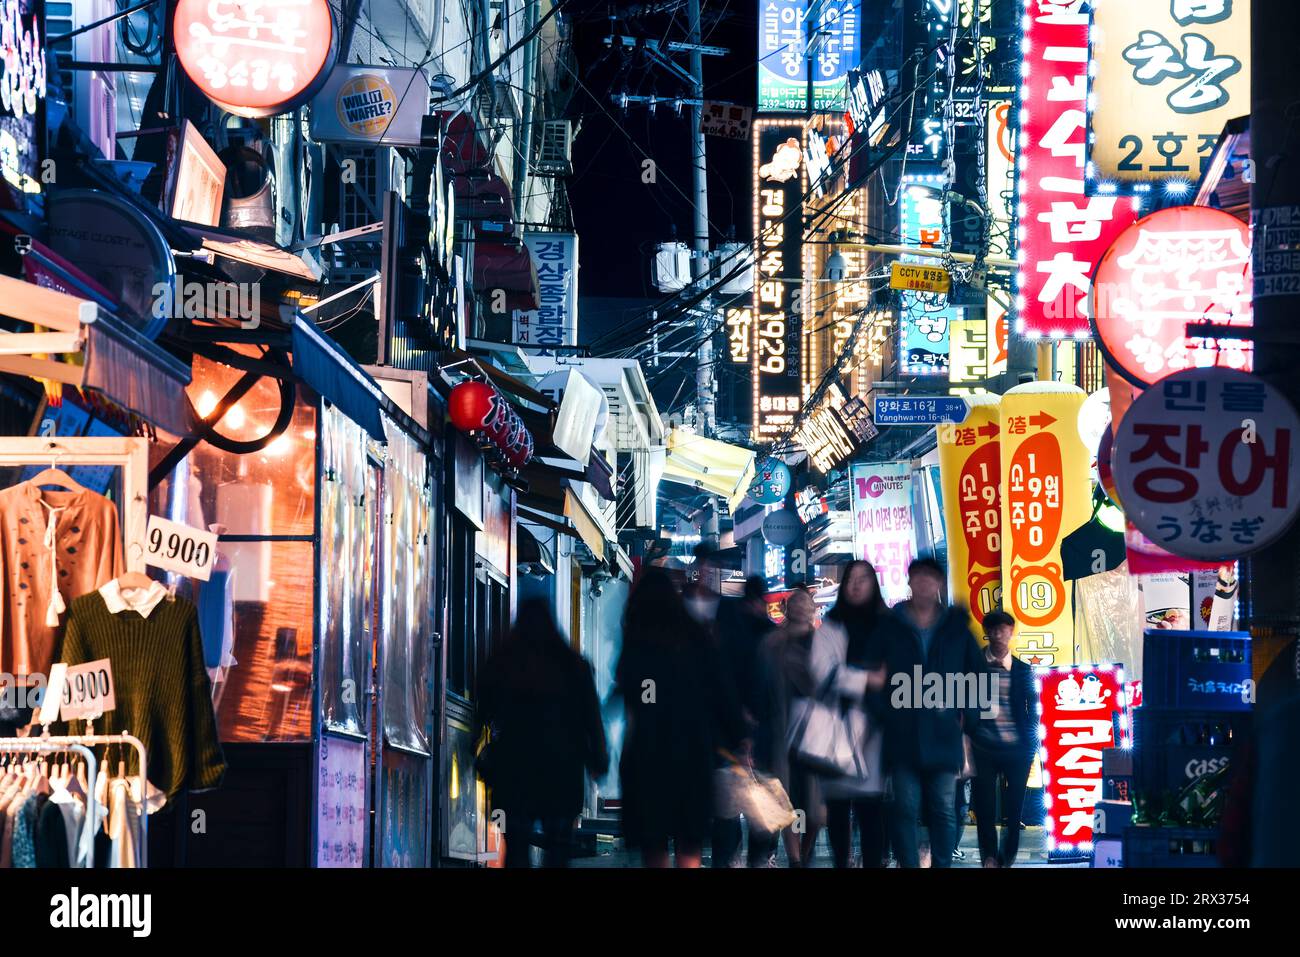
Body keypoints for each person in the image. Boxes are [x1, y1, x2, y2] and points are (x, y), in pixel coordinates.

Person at [616, 567, 747, 867]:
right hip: (693, 752)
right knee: (690, 841)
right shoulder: (697, 637)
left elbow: (632, 692)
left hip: (648, 753)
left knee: (654, 841)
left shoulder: (638, 642)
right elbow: (722, 693)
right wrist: (738, 738)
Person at [476, 598, 609, 868]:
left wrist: (474, 753)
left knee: (516, 845)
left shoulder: (502, 665)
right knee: (558, 848)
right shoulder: (575, 667)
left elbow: (481, 714)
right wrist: (598, 760)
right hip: (563, 771)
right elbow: (591, 720)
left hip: (514, 771)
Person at [872, 556, 985, 868]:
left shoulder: (956, 629)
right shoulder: (891, 626)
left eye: (930, 577)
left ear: (938, 584)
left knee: (943, 808)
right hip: (902, 734)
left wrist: (968, 717)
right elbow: (873, 675)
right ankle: (909, 864)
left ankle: (942, 864)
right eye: (918, 577)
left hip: (943, 732)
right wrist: (885, 714)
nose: (924, 583)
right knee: (905, 807)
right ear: (909, 582)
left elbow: (978, 674)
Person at [815, 561, 895, 868]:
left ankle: (874, 861)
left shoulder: (887, 625)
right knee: (838, 805)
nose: (856, 585)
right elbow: (820, 671)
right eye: (851, 579)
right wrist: (867, 679)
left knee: (871, 806)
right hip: (835, 725)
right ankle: (841, 862)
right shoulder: (831, 625)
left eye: (864, 579)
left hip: (877, 727)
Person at [712, 575, 778, 867]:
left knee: (728, 804)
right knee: (760, 795)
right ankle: (758, 856)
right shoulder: (768, 635)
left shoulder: (726, 635)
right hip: (758, 730)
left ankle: (730, 856)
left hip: (728, 732)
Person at [756, 585, 824, 867]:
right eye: (795, 604)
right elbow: (759, 690)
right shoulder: (771, 644)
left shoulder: (824, 644)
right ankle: (796, 858)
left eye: (805, 604)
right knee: (787, 801)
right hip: (780, 732)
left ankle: (803, 853)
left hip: (816, 735)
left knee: (814, 808)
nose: (800, 608)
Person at [969, 610, 1037, 867]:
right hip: (982, 747)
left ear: (1011, 632)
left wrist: (1030, 747)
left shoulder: (1022, 669)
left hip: (1016, 750)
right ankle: (989, 857)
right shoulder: (974, 665)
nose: (999, 635)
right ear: (987, 632)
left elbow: (1033, 710)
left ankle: (1006, 857)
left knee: (1014, 809)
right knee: (984, 809)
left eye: (1004, 629)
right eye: (994, 630)